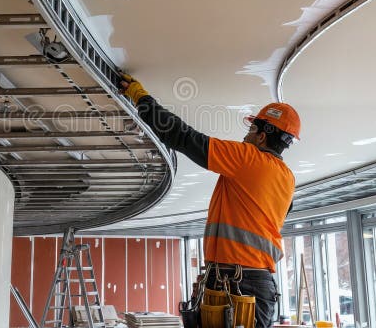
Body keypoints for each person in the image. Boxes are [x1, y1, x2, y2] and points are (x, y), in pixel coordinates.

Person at [119, 74, 300, 327]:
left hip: (238, 281)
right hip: (253, 282)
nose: (246, 136)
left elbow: (181, 136)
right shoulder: (288, 178)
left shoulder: (247, 158)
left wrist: (141, 97)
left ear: (263, 135)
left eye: (251, 130)